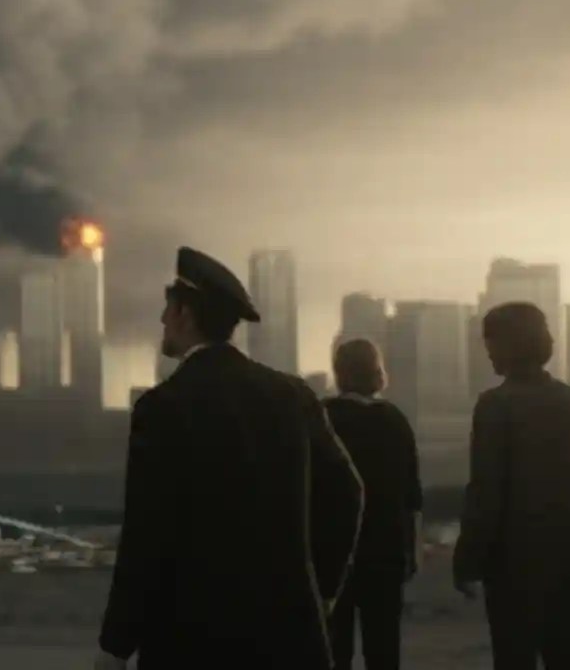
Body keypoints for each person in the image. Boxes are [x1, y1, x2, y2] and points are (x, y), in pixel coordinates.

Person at [94, 246, 363, 670]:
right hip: (289, 639)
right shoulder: (294, 396)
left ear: (184, 314)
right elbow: (348, 492)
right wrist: (320, 588)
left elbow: (147, 535)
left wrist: (116, 644)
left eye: (167, 309)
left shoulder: (162, 408)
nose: (162, 320)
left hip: (192, 640)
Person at [453, 302, 570, 670]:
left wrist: (467, 561)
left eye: (490, 345)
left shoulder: (495, 406)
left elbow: (486, 493)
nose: (488, 354)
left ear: (505, 346)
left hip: (515, 569)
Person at [324, 339, 421, 670]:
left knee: (335, 650)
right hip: (386, 550)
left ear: (339, 371)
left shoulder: (323, 416)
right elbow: (411, 495)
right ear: (378, 371)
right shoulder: (395, 420)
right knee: (384, 648)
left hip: (334, 551)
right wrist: (411, 550)